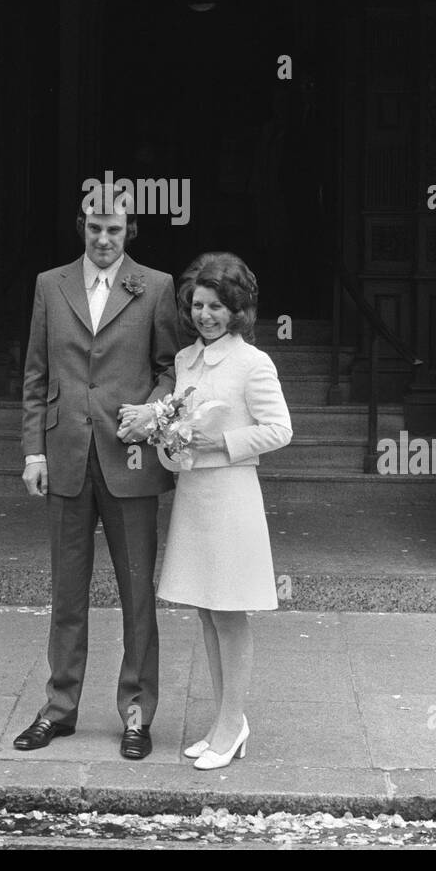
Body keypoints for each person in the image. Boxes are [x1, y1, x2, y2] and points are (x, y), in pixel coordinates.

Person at [14, 195, 179, 760]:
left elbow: (170, 368)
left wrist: (153, 412)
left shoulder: (155, 286)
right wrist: (33, 452)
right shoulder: (49, 283)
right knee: (67, 592)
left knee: (137, 593)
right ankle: (59, 710)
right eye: (93, 227)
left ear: (129, 230)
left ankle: (137, 714)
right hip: (64, 454)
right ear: (80, 226)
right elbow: (36, 375)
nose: (103, 239)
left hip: (128, 458)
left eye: (113, 229)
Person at [155, 252, 292, 770]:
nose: (206, 314)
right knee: (207, 611)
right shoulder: (185, 360)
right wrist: (170, 442)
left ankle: (233, 723)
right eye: (198, 304)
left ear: (237, 310)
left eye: (216, 306)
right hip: (194, 496)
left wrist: (220, 441)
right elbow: (180, 425)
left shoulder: (253, 363)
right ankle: (222, 721)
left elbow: (280, 429)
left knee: (230, 613)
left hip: (232, 496)